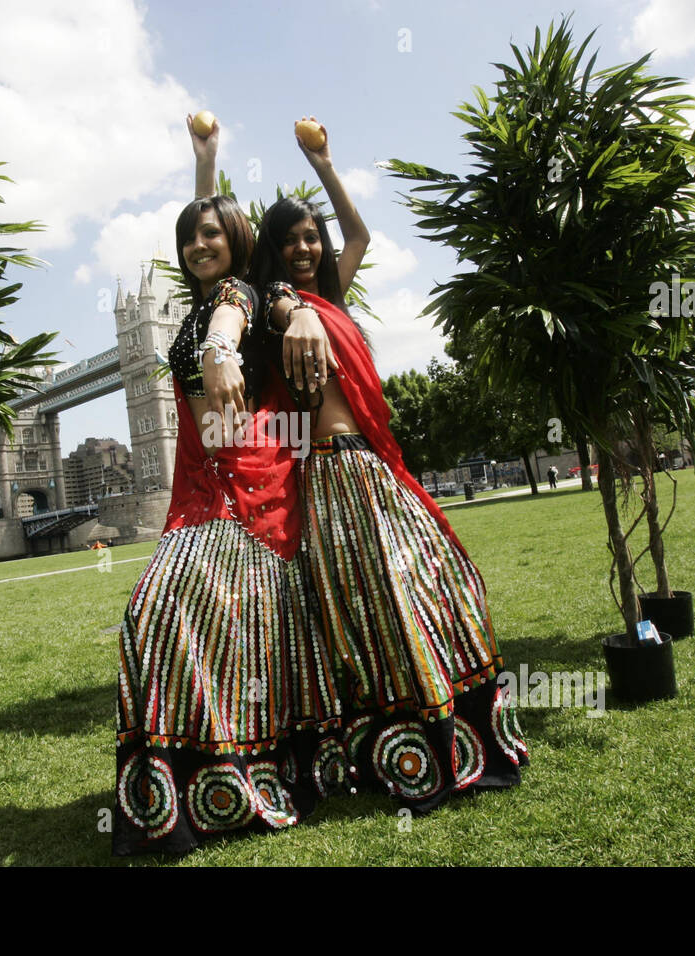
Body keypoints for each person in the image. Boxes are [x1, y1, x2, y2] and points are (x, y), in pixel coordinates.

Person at [250, 117, 527, 813]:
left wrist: (325, 165)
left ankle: (455, 732)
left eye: (311, 238)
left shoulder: (333, 298)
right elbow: (273, 299)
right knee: (374, 603)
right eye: (291, 242)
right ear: (274, 254)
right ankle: (402, 747)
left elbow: (361, 238)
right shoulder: (272, 309)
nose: (307, 249)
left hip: (373, 469)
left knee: (439, 578)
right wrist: (291, 306)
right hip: (330, 480)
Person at [113, 116, 340, 856]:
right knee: (190, 618)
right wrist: (204, 163)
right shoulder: (205, 289)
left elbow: (242, 305)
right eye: (188, 238)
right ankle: (214, 767)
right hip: (205, 482)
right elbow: (213, 256)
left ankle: (235, 771)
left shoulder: (244, 293)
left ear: (238, 243)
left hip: (248, 481)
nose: (197, 246)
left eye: (211, 235)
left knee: (164, 610)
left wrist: (278, 322)